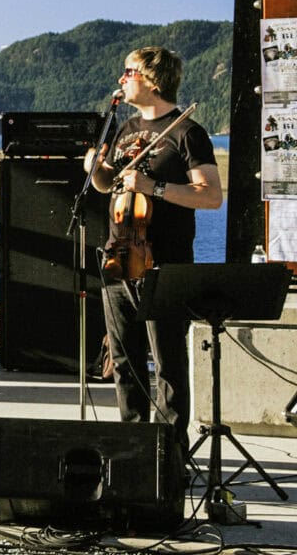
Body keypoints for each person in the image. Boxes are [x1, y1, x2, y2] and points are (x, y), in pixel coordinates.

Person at [86, 46, 222, 452]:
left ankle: (170, 456)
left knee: (167, 365)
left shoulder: (187, 132)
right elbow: (108, 186)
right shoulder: (126, 129)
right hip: (117, 257)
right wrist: (97, 169)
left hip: (163, 263)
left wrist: (155, 187)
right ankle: (132, 450)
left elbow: (211, 195)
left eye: (129, 72)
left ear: (153, 80)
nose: (121, 79)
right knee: (123, 361)